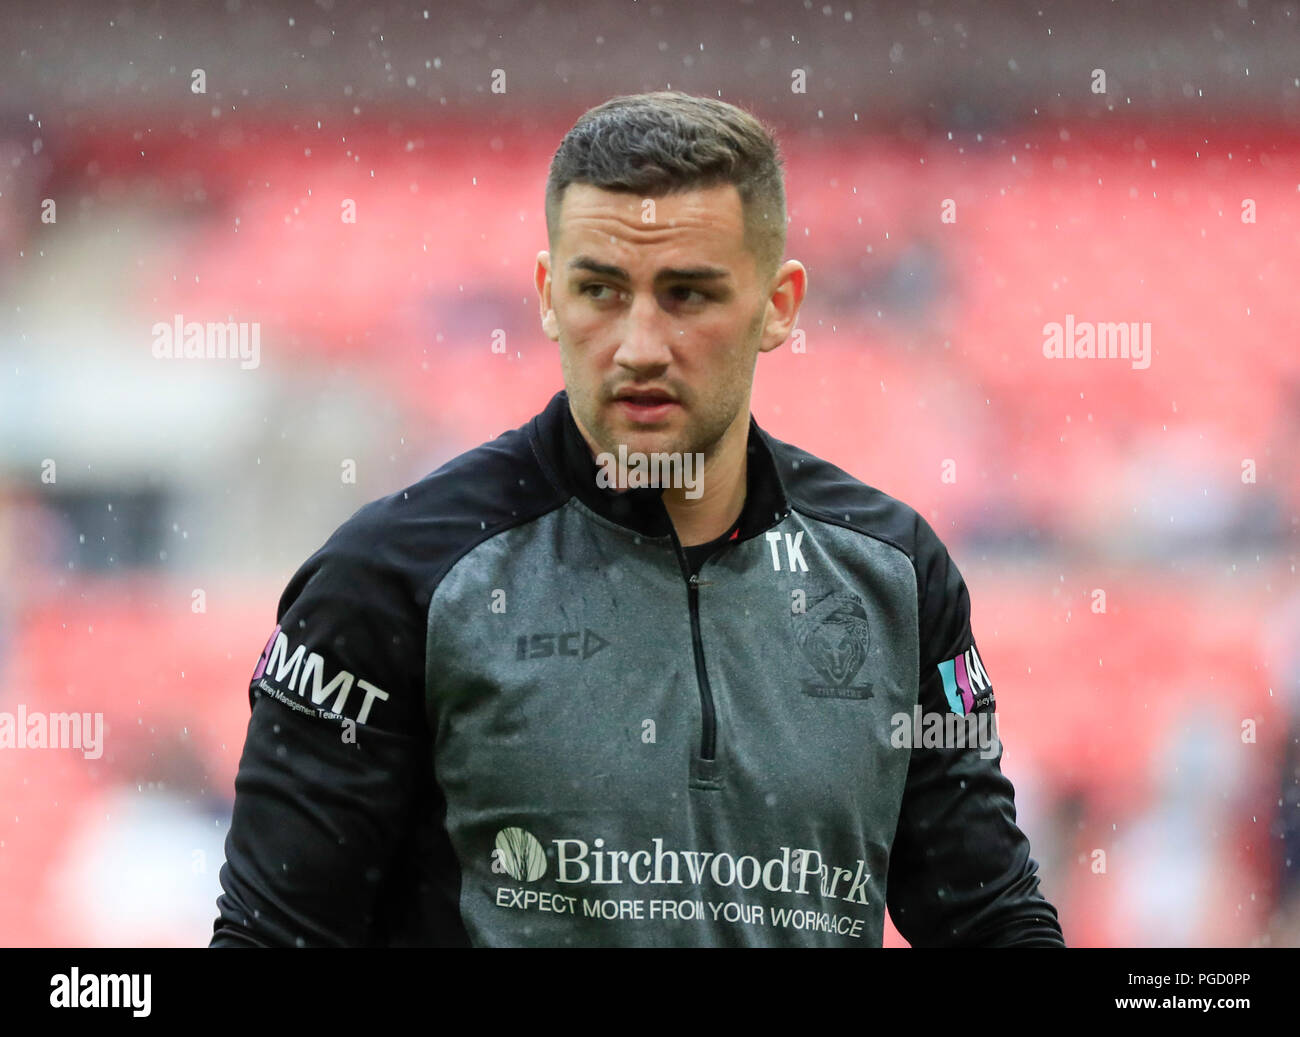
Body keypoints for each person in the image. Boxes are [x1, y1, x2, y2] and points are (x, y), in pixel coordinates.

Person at [210, 90, 1064, 947]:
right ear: (548, 296)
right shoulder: (389, 580)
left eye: (688, 295)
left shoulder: (898, 575)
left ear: (779, 304)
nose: (641, 344)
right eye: (601, 290)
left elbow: (988, 916)